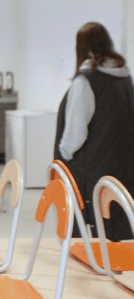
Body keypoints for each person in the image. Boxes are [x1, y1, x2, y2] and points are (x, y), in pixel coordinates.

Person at [55, 22, 134, 241]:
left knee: (90, 234)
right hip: (121, 167)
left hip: (90, 169)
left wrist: (64, 154)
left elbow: (75, 133)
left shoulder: (86, 81)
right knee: (113, 230)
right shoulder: (124, 77)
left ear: (81, 48)